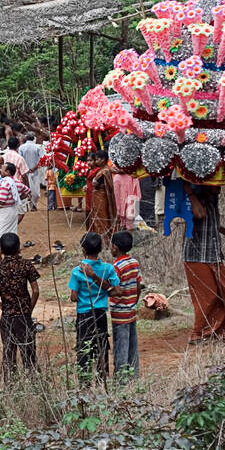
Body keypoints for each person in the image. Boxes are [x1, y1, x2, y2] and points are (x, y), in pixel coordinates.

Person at [184, 184, 225, 344]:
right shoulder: (193, 199)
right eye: (216, 185)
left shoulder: (212, 200)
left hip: (213, 253)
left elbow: (211, 222)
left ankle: (224, 330)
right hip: (196, 255)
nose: (219, 188)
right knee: (208, 295)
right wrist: (190, 192)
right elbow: (199, 214)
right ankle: (199, 333)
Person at [0, 232, 40, 374]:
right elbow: (35, 291)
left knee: (9, 356)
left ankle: (10, 388)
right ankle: (34, 387)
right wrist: (29, 308)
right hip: (23, 315)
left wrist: (0, 304)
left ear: (1, 250)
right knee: (29, 356)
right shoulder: (26, 265)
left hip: (7, 316)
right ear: (19, 249)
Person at [67, 232, 121, 382]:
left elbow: (73, 297)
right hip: (100, 314)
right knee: (101, 347)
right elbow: (116, 289)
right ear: (101, 248)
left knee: (84, 350)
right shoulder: (108, 269)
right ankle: (102, 382)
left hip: (84, 315)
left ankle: (84, 386)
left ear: (83, 249)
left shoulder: (77, 270)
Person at [109, 231, 142, 380]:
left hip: (119, 313)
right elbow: (138, 285)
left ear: (115, 247)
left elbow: (116, 290)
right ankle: (134, 376)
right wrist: (134, 302)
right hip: (131, 310)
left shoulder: (116, 266)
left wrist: (106, 294)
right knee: (132, 345)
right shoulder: (134, 263)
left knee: (120, 346)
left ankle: (120, 379)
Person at [84, 152, 118, 237]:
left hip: (101, 198)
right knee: (97, 217)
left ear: (103, 160)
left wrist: (94, 183)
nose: (96, 161)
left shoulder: (104, 171)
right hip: (97, 197)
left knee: (101, 218)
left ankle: (103, 239)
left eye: (97, 159)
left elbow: (96, 183)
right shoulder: (103, 170)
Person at [19, 134, 45, 211]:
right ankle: (33, 205)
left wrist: (27, 169)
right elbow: (41, 160)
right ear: (34, 138)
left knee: (25, 188)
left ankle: (26, 205)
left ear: (26, 138)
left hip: (25, 172)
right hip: (35, 171)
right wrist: (33, 168)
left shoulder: (22, 147)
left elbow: (20, 160)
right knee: (36, 190)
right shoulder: (38, 147)